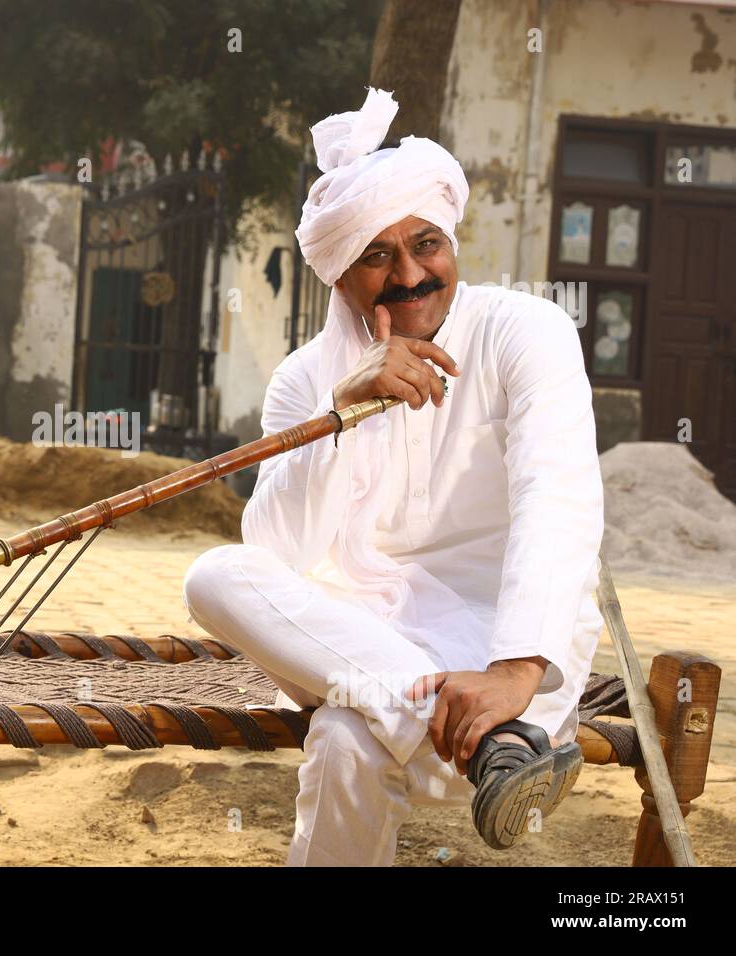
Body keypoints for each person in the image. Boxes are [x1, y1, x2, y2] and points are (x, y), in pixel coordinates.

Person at [182, 88, 604, 866]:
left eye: (426, 244)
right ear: (340, 273)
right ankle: (495, 748)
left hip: (504, 650)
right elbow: (276, 554)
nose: (410, 274)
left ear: (451, 243)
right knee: (214, 575)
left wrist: (514, 673)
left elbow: (558, 498)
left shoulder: (526, 331)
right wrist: (337, 417)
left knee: (346, 737)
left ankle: (491, 729)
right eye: (376, 256)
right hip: (362, 642)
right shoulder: (304, 379)